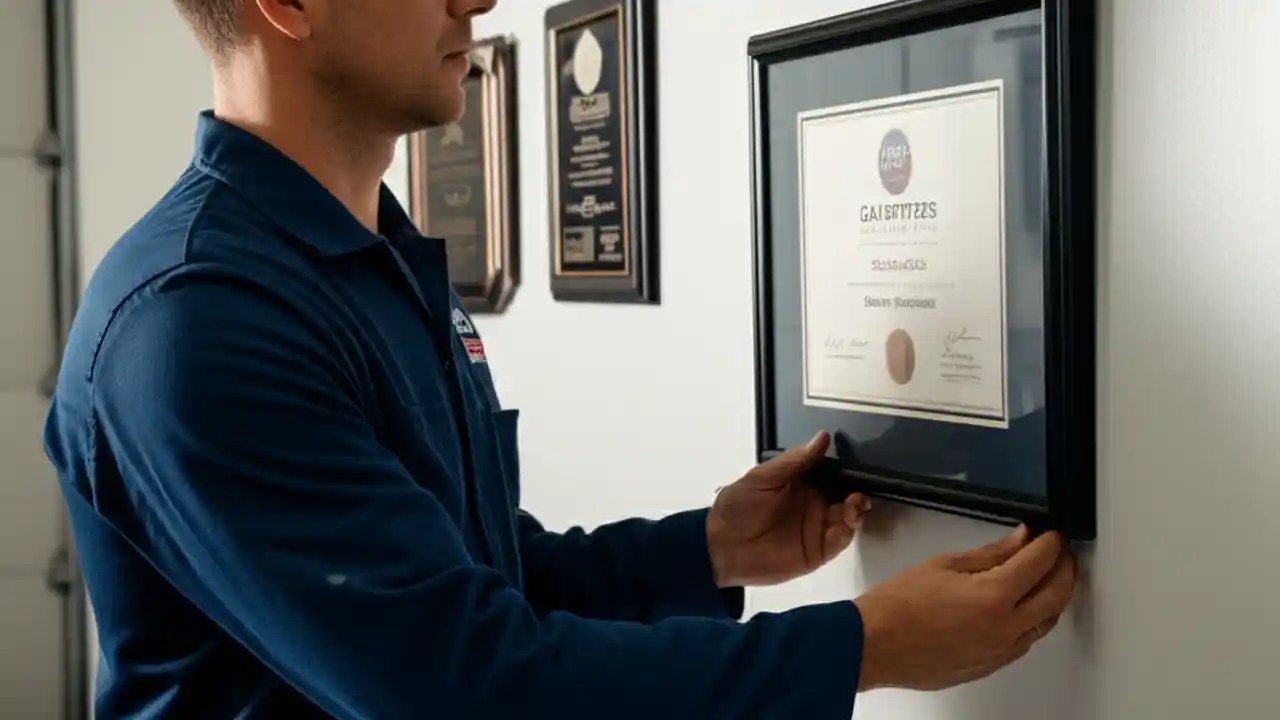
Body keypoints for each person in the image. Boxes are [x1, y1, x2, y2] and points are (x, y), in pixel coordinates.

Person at [43, 1, 1077, 717]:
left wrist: (705, 548)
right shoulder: (197, 321)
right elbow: (462, 686)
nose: (476, 3)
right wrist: (864, 647)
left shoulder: (372, 259)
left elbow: (474, 576)